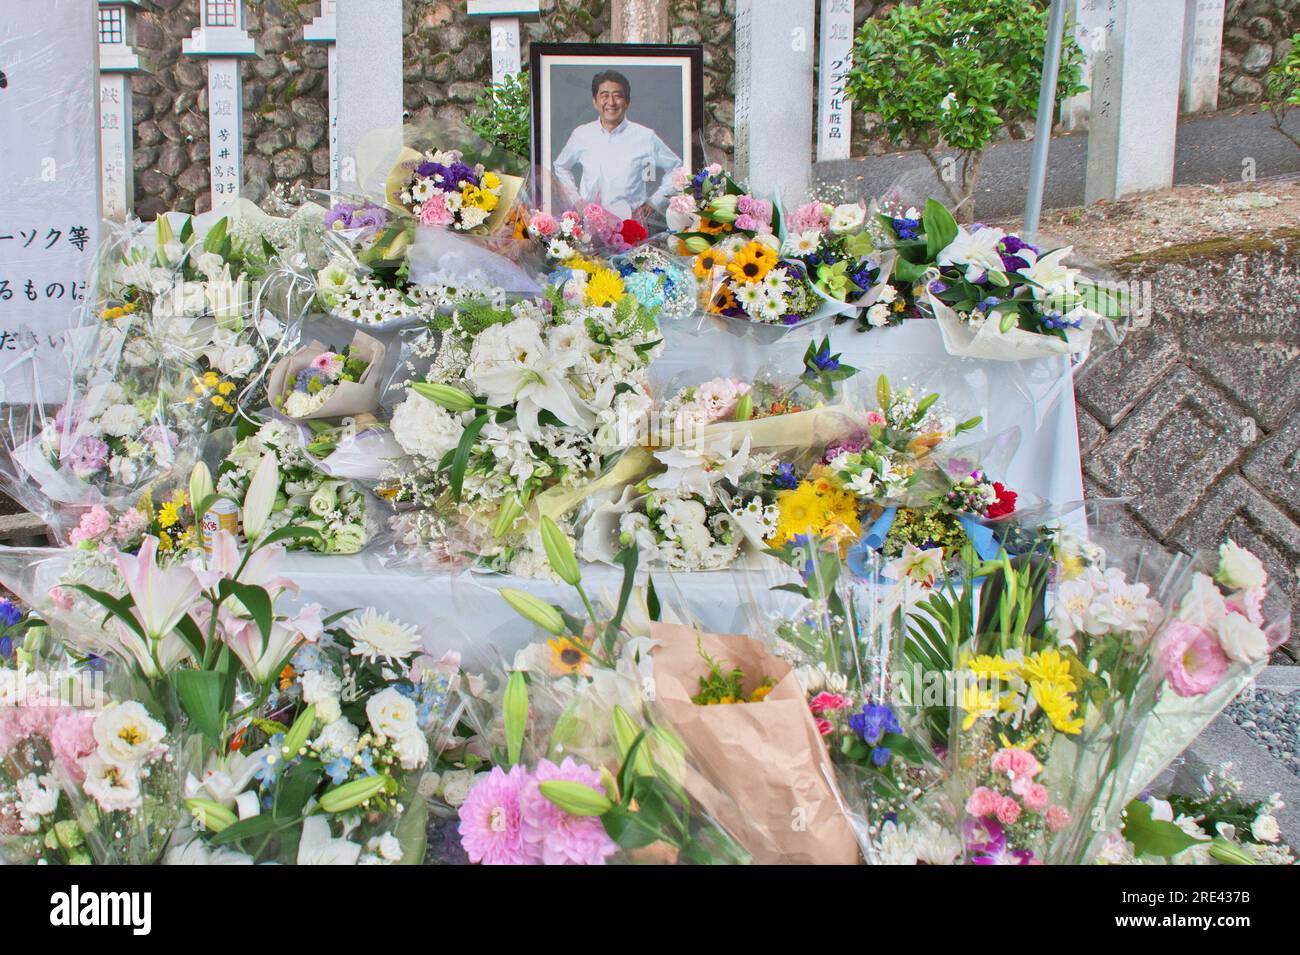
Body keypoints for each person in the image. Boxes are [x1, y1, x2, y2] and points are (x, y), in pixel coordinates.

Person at [552, 70, 682, 220]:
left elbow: (677, 169)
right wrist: (576, 200)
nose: (611, 102)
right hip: (591, 225)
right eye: (604, 95)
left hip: (632, 225)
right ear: (595, 101)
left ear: (627, 101)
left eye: (617, 95)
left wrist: (654, 202)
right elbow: (561, 166)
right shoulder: (582, 135)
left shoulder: (645, 137)